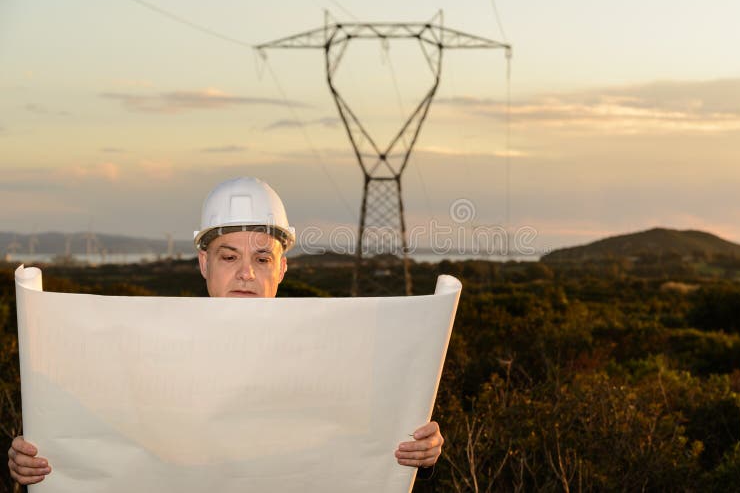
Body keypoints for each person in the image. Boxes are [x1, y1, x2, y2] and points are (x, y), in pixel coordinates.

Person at [8, 176, 444, 486]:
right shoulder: (141, 351)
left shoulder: (340, 356)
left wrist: (421, 454)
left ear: (283, 267)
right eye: (229, 256)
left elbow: (365, 444)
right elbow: (95, 438)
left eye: (262, 259)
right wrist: (37, 458)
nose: (246, 275)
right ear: (204, 264)